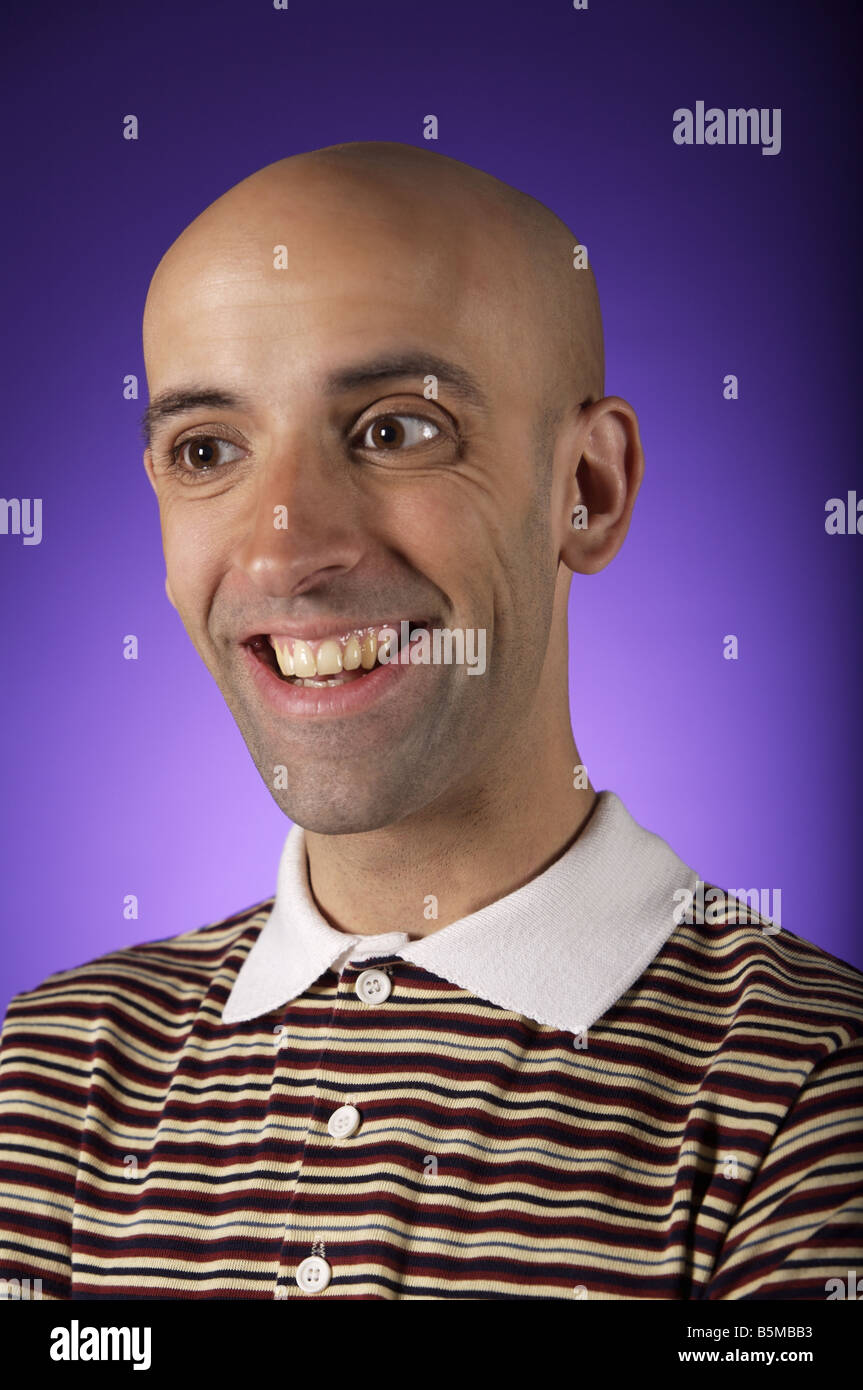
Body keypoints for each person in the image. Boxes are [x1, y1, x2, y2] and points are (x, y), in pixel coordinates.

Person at [1, 142, 860, 1301]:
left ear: (587, 490)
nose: (281, 548)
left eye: (396, 429)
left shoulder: (810, 1095)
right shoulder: (47, 1075)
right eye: (208, 451)